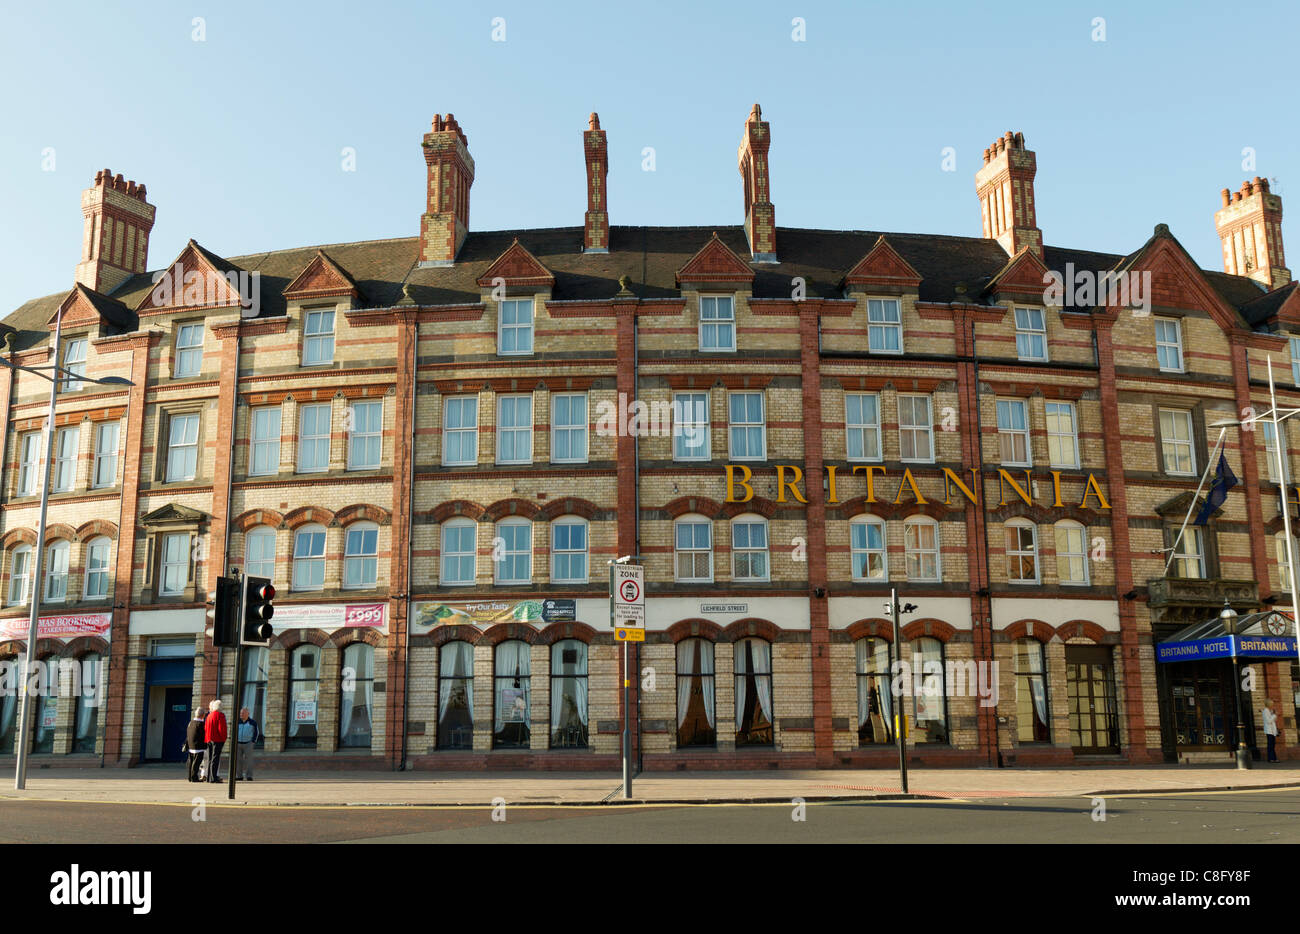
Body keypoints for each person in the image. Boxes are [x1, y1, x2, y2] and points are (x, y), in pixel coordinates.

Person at [204, 699, 227, 783]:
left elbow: (205, 728)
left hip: (209, 739)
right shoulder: (220, 715)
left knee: (210, 758)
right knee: (215, 758)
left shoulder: (209, 716)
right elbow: (222, 729)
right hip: (217, 739)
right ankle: (213, 777)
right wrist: (224, 738)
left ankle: (209, 777)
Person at [235, 707, 261, 781]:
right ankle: (239, 776)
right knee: (238, 760)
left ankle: (249, 776)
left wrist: (253, 742)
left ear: (247, 714)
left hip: (248, 744)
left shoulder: (253, 722)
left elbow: (256, 732)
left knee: (249, 761)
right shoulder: (237, 722)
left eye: (243, 713)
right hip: (238, 743)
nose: (241, 714)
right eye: (240, 713)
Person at [185, 707, 207, 782]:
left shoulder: (191, 722)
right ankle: (194, 777)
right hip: (198, 746)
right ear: (203, 715)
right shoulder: (201, 724)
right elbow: (203, 735)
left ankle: (190, 777)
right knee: (196, 763)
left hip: (191, 745)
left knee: (191, 762)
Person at [1262, 698, 1280, 763]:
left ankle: (1274, 758)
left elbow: (1274, 720)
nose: (1273, 705)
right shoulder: (1265, 711)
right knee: (1270, 745)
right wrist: (1274, 715)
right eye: (1272, 704)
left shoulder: (1269, 711)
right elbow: (1268, 721)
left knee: (1272, 745)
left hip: (1272, 731)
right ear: (1269, 704)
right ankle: (1271, 758)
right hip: (1269, 731)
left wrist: (1274, 714)